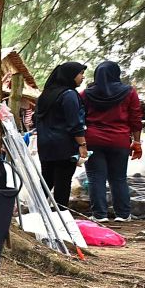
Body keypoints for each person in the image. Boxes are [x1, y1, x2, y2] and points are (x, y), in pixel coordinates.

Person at [82, 60, 142, 222]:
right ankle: (123, 214)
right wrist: (137, 142)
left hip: (93, 140)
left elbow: (80, 117)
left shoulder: (86, 94)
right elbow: (136, 119)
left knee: (95, 177)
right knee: (119, 178)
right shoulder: (129, 92)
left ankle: (99, 215)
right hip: (119, 140)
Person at [33, 62, 88, 207]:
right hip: (64, 145)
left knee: (46, 180)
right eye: (80, 73)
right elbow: (74, 123)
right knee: (63, 182)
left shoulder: (44, 95)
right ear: (70, 76)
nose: (83, 77)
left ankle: (36, 210)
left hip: (45, 145)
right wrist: (82, 144)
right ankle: (62, 215)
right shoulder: (68, 95)